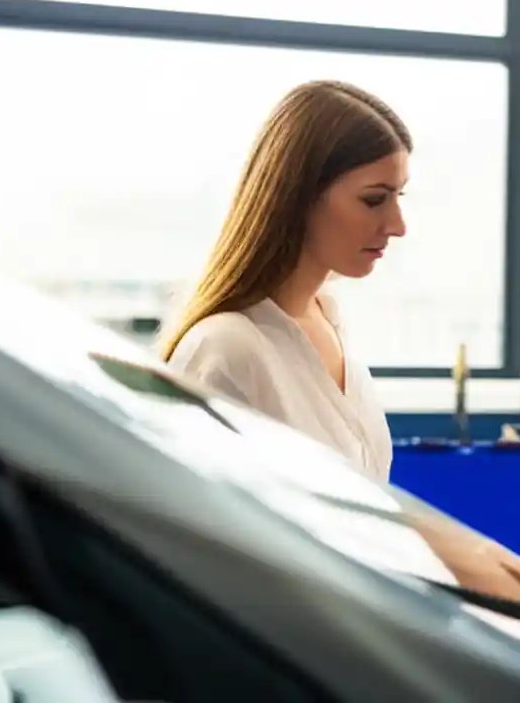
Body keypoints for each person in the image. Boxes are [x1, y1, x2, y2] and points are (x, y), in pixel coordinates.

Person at [159, 80, 410, 484]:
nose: (397, 225)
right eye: (374, 200)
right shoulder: (225, 349)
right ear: (299, 196)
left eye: (400, 196)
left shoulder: (328, 318)